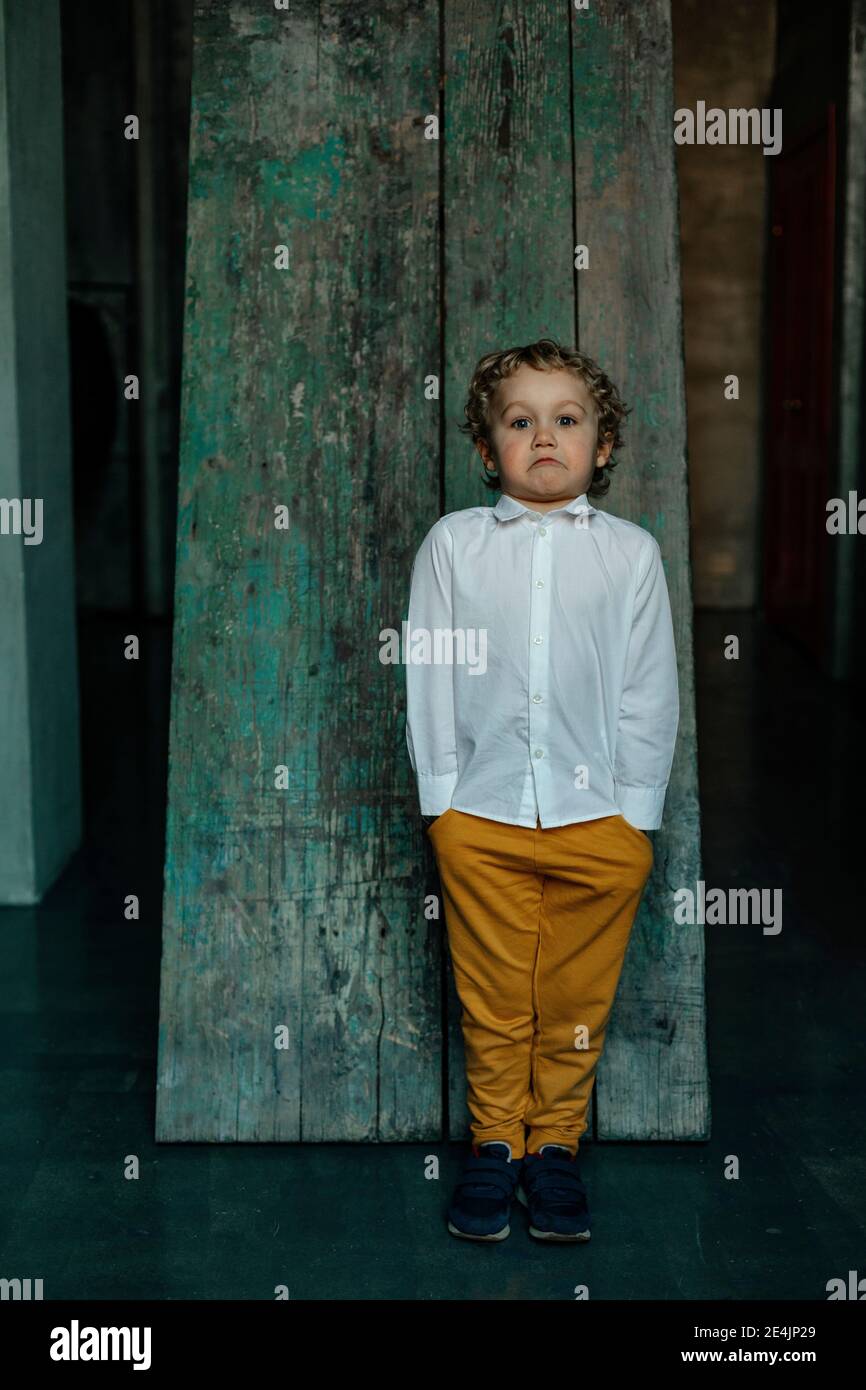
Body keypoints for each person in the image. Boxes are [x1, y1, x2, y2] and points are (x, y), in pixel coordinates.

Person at [405, 338, 680, 1242]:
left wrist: (635, 819)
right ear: (489, 452)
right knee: (492, 999)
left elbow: (647, 691)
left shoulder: (632, 557)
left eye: (568, 420)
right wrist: (441, 805)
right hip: (479, 818)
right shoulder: (453, 546)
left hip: (597, 820)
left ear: (603, 446)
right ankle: (495, 1148)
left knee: (572, 1000)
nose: (545, 437)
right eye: (519, 422)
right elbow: (431, 674)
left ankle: (555, 1148)